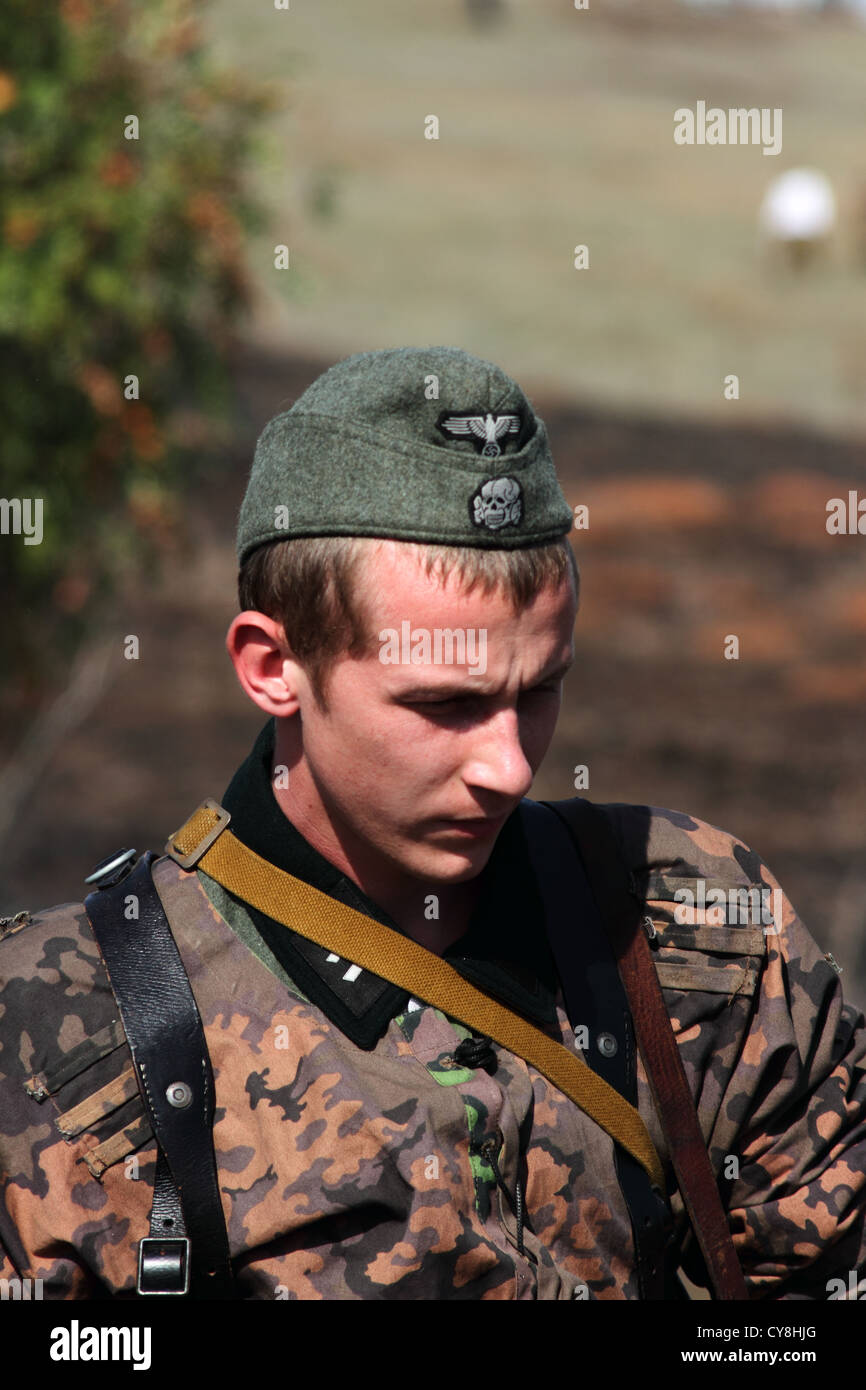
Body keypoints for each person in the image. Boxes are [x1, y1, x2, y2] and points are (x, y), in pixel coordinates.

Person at [0, 345, 864, 1302]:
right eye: (445, 706)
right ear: (270, 667)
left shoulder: (694, 928)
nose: (509, 766)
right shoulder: (60, 1032)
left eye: (539, 690)